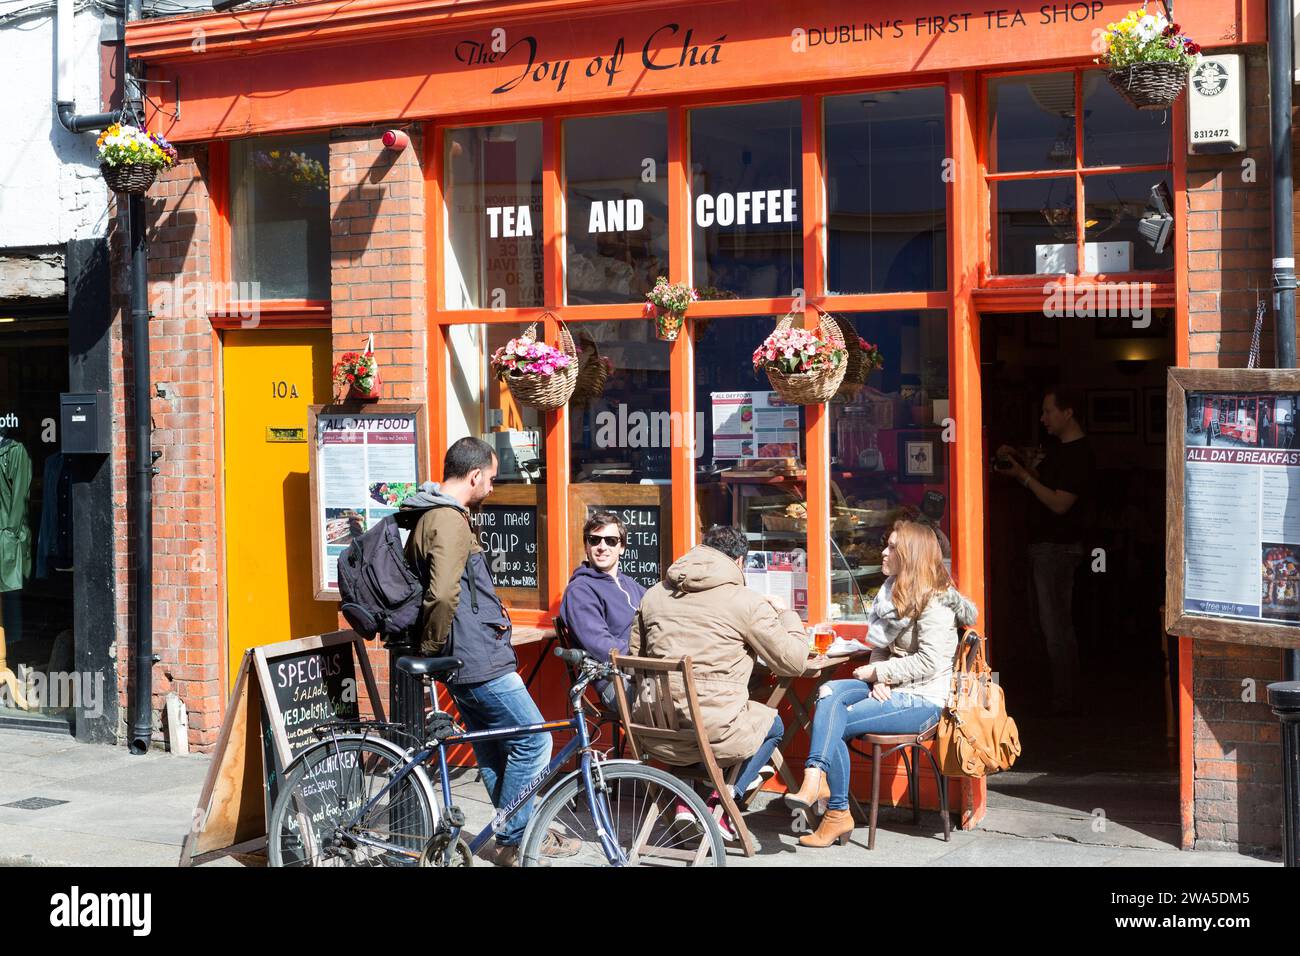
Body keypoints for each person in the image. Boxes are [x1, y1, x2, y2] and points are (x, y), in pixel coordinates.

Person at [401, 436, 576, 867]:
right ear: (475, 475)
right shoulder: (449, 519)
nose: (494, 489)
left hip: (469, 656)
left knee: (498, 750)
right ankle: (510, 839)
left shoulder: (431, 514)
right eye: (492, 480)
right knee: (534, 741)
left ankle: (508, 836)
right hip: (477, 660)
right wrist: (432, 650)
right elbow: (442, 596)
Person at [786, 520, 977, 848]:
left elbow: (929, 662)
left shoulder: (938, 602)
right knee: (828, 694)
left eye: (891, 548)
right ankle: (818, 783)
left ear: (911, 556)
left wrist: (880, 674)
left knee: (836, 717)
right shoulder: (893, 592)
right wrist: (879, 677)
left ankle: (834, 809)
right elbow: (881, 647)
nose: (884, 552)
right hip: (895, 687)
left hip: (923, 698)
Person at [629, 524, 809, 841]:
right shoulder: (745, 602)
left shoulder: (654, 594)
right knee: (771, 723)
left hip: (655, 733)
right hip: (712, 735)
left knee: (717, 712)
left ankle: (687, 799)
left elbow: (635, 656)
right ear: (739, 562)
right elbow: (793, 661)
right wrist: (787, 615)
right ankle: (721, 805)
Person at [994, 385, 1094, 714]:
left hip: (1058, 549)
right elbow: (1047, 480)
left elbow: (1059, 502)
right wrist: (1019, 460)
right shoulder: (1060, 449)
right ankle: (1062, 693)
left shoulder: (1080, 453)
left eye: (1049, 411)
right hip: (1047, 548)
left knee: (1056, 626)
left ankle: (1066, 699)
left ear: (1068, 413)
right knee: (1050, 624)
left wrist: (1022, 477)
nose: (1043, 417)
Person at [557, 511, 647, 708]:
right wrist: (647, 655)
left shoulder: (629, 584)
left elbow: (658, 612)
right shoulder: (580, 590)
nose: (602, 547)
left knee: (698, 689)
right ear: (586, 546)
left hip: (643, 671)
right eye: (594, 540)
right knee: (675, 698)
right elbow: (601, 645)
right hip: (615, 681)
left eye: (611, 541)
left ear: (622, 547)